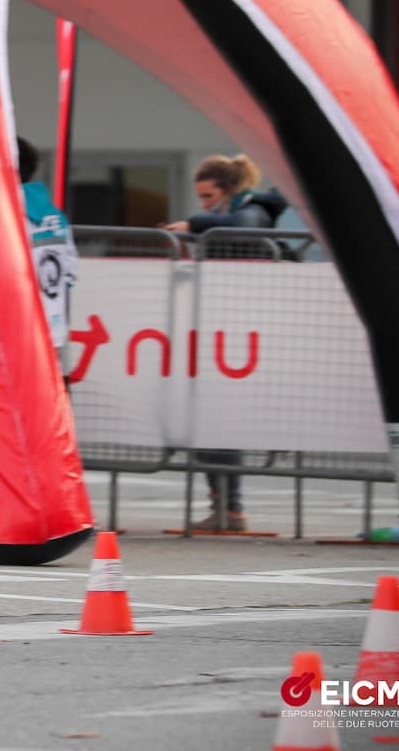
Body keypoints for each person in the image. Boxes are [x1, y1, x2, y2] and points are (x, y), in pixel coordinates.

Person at [164, 152, 288, 532]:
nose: (203, 205)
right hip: (223, 330)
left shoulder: (252, 209)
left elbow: (242, 228)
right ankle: (223, 505)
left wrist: (196, 224)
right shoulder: (234, 212)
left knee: (219, 419)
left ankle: (230, 508)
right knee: (207, 419)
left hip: (238, 331)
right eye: (200, 198)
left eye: (208, 196)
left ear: (228, 188)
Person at [17, 138, 77, 377]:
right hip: (52, 327)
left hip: (17, 328)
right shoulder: (53, 214)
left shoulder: (4, 210)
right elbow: (71, 270)